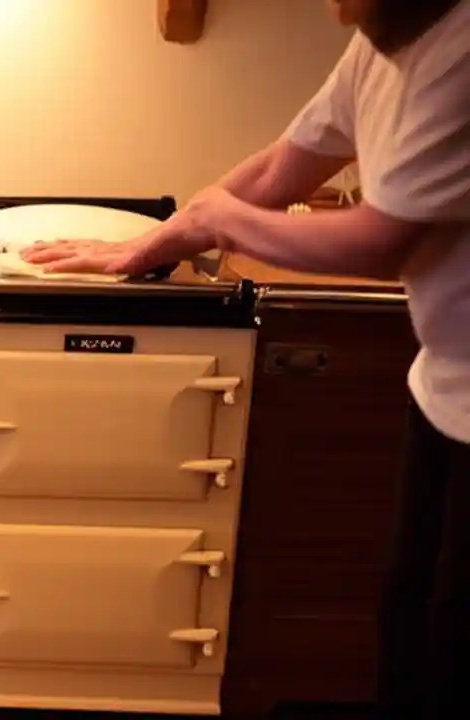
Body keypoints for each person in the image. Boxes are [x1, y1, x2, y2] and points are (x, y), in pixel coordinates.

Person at [26, 0, 469, 715]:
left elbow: (380, 241)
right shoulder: (378, 45)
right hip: (443, 388)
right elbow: (281, 168)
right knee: (405, 613)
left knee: (453, 642)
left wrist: (219, 220)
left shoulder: (461, 48)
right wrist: (153, 243)